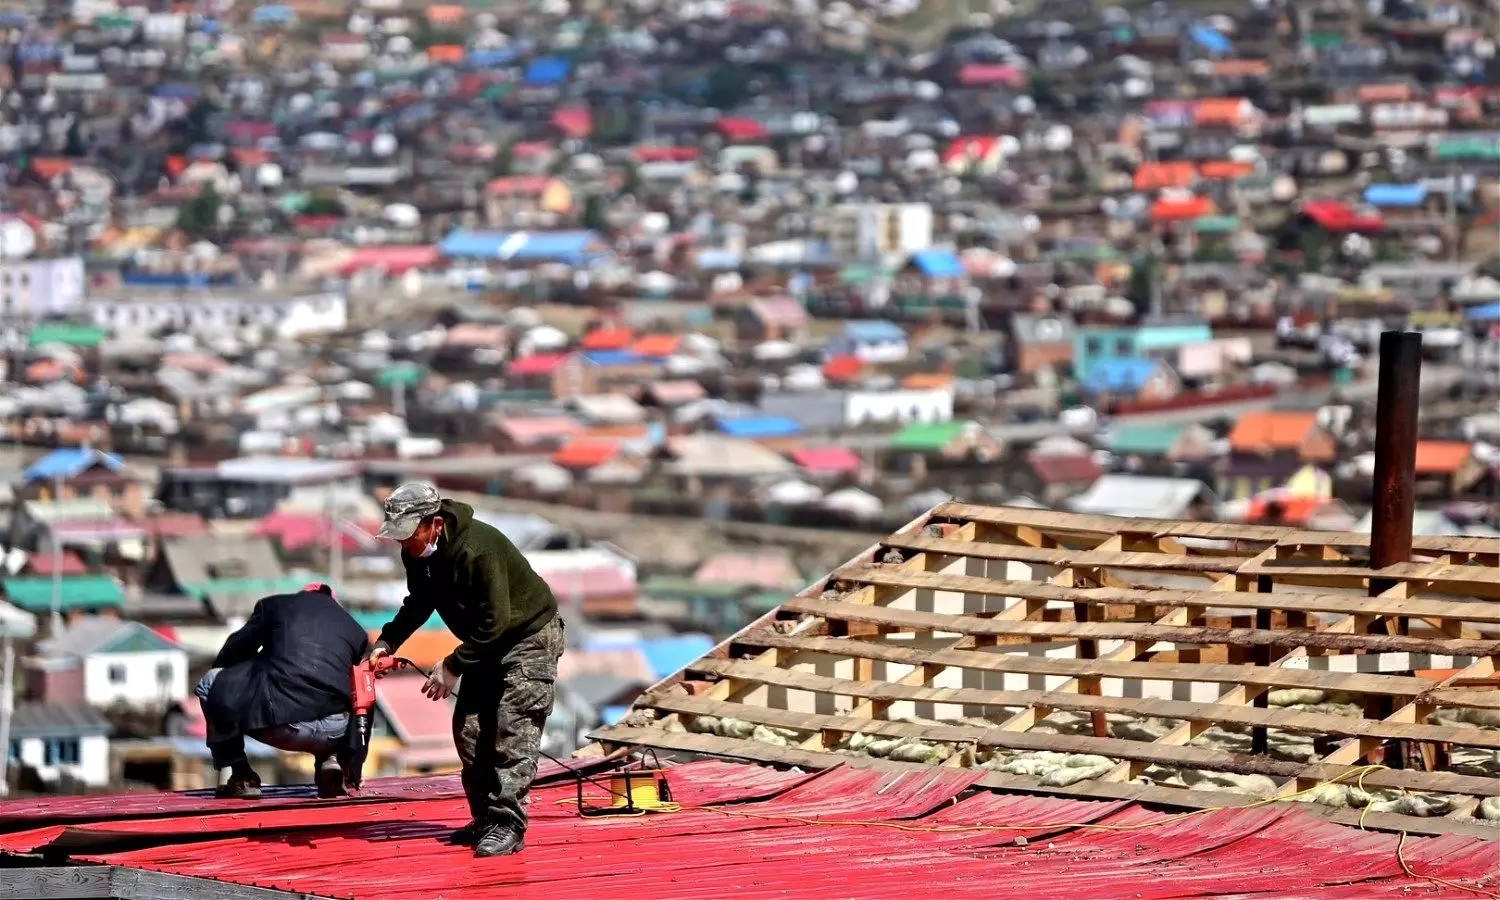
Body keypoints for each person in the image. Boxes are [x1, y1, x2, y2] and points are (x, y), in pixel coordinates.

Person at [367, 482, 562, 859]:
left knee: (512, 725)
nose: (403, 544)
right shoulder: (418, 554)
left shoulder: (478, 549)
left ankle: (508, 823)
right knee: (470, 729)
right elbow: (419, 603)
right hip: (486, 641)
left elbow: (498, 620)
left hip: (527, 636)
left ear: (435, 523)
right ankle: (487, 819)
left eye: (409, 534)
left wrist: (453, 665)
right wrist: (387, 641)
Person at [196, 583, 369, 799]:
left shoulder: (275, 606)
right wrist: (354, 767)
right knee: (350, 687)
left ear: (302, 596)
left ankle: (241, 774)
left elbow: (234, 653)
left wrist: (245, 677)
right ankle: (332, 762)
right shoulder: (354, 629)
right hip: (334, 731)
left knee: (210, 683)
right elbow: (365, 696)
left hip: (279, 722)